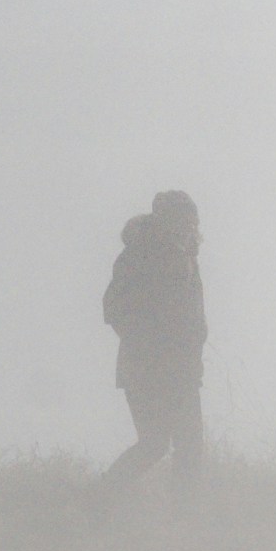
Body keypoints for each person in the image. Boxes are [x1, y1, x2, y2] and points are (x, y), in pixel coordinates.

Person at [102, 190, 207, 485]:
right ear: (166, 219)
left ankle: (98, 501)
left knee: (169, 444)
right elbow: (113, 307)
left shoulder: (179, 254)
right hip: (156, 367)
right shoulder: (146, 254)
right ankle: (99, 501)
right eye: (185, 217)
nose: (192, 224)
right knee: (171, 443)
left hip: (172, 366)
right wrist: (154, 345)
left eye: (192, 218)